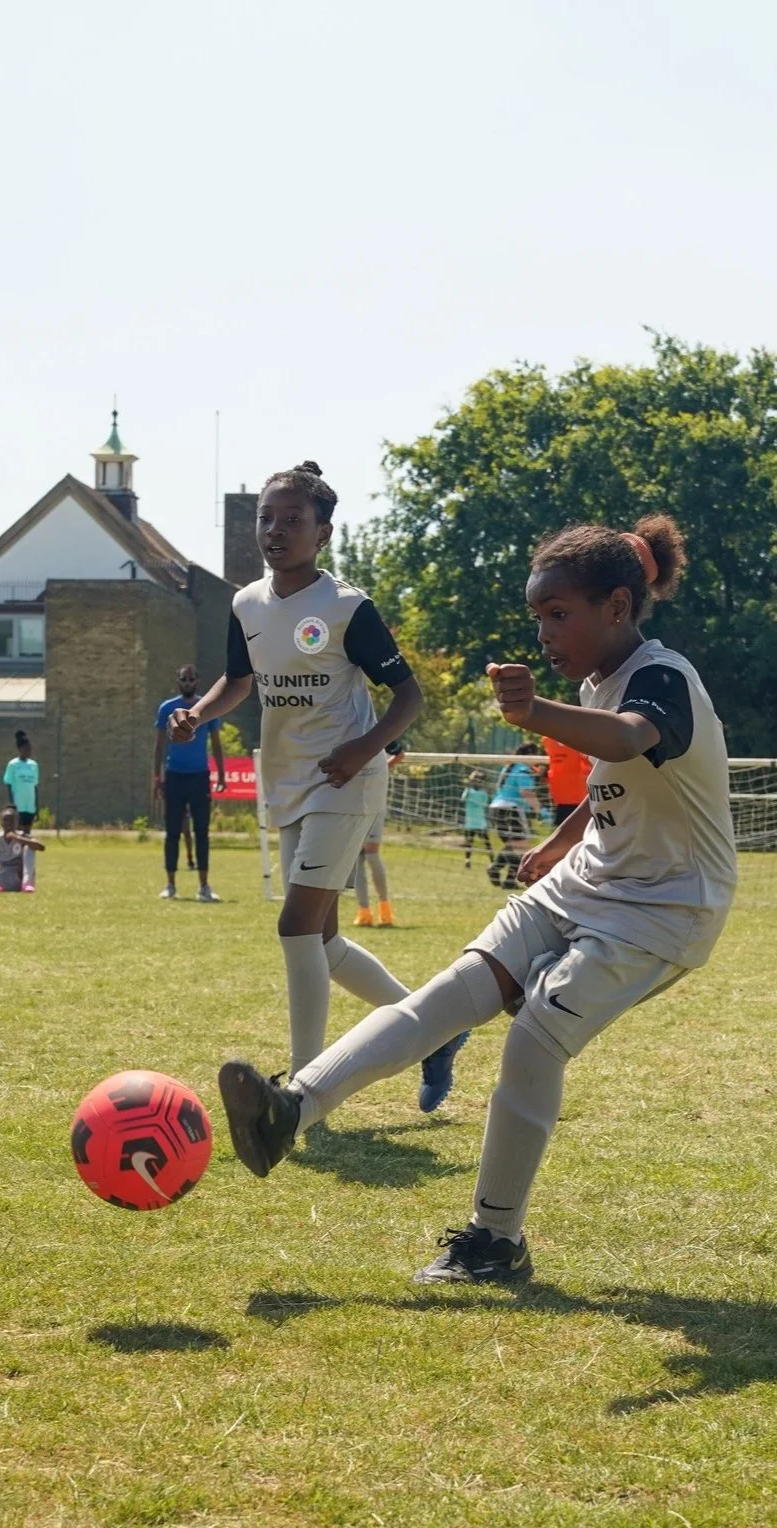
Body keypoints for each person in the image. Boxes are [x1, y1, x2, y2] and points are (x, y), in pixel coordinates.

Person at [214, 515, 733, 1285]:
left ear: (618, 607)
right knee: (449, 994)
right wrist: (562, 841)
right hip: (587, 881)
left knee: (533, 1037)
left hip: (667, 908)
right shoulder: (598, 681)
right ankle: (291, 1109)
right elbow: (621, 775)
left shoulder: (663, 678)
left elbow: (629, 741)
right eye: (538, 618)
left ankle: (495, 1242)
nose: (546, 633)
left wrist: (531, 716)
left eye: (560, 615)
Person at [169, 463, 465, 1111]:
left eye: (292, 520)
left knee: (296, 927)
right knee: (322, 942)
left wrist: (365, 747)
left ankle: (303, 1090)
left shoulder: (346, 608)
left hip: (347, 781)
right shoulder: (246, 604)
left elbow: (408, 696)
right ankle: (435, 1031)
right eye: (266, 519)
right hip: (289, 783)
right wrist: (199, 714)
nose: (275, 531)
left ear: (323, 533)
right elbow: (239, 682)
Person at [155, 663, 223, 902]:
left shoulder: (206, 708)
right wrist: (157, 777)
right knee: (172, 831)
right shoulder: (167, 708)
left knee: (201, 832)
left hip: (199, 776)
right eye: (184, 679)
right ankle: (170, 884)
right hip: (174, 776)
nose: (187, 683)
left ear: (197, 681)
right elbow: (160, 745)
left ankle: (203, 886)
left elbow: (215, 742)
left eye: (191, 679)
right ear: (178, 680)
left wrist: (221, 774)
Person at [352, 739, 405, 926]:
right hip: (352, 804)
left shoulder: (379, 732)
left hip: (374, 804)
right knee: (356, 860)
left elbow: (399, 754)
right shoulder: (345, 731)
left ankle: (385, 908)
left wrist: (380, 772)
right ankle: (364, 911)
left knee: (372, 855)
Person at [487, 744, 543, 888]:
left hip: (495, 807)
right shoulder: (522, 770)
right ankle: (497, 869)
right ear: (530, 755)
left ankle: (508, 879)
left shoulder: (509, 767)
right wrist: (539, 810)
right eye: (537, 755)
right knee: (522, 844)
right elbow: (526, 793)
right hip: (511, 809)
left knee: (513, 845)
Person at [2, 731, 41, 886]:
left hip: (29, 805)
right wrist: (12, 804)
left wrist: (37, 804)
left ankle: (27, 869)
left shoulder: (34, 765)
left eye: (30, 749)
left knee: (28, 837)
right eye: (26, 748)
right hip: (18, 805)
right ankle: (15, 867)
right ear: (20, 749)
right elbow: (9, 785)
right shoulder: (13, 765)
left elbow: (35, 786)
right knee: (17, 837)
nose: (28, 751)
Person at [543, 734, 592, 826]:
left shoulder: (548, 739)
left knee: (563, 829)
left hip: (560, 793)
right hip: (577, 794)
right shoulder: (579, 739)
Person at [460, 772, 495, 869]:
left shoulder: (483, 793)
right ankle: (467, 861)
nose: (477, 782)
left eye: (479, 780)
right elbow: (463, 799)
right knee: (469, 842)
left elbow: (485, 803)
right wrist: (468, 787)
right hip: (470, 822)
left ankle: (492, 861)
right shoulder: (468, 791)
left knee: (487, 843)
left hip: (480, 822)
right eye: (475, 780)